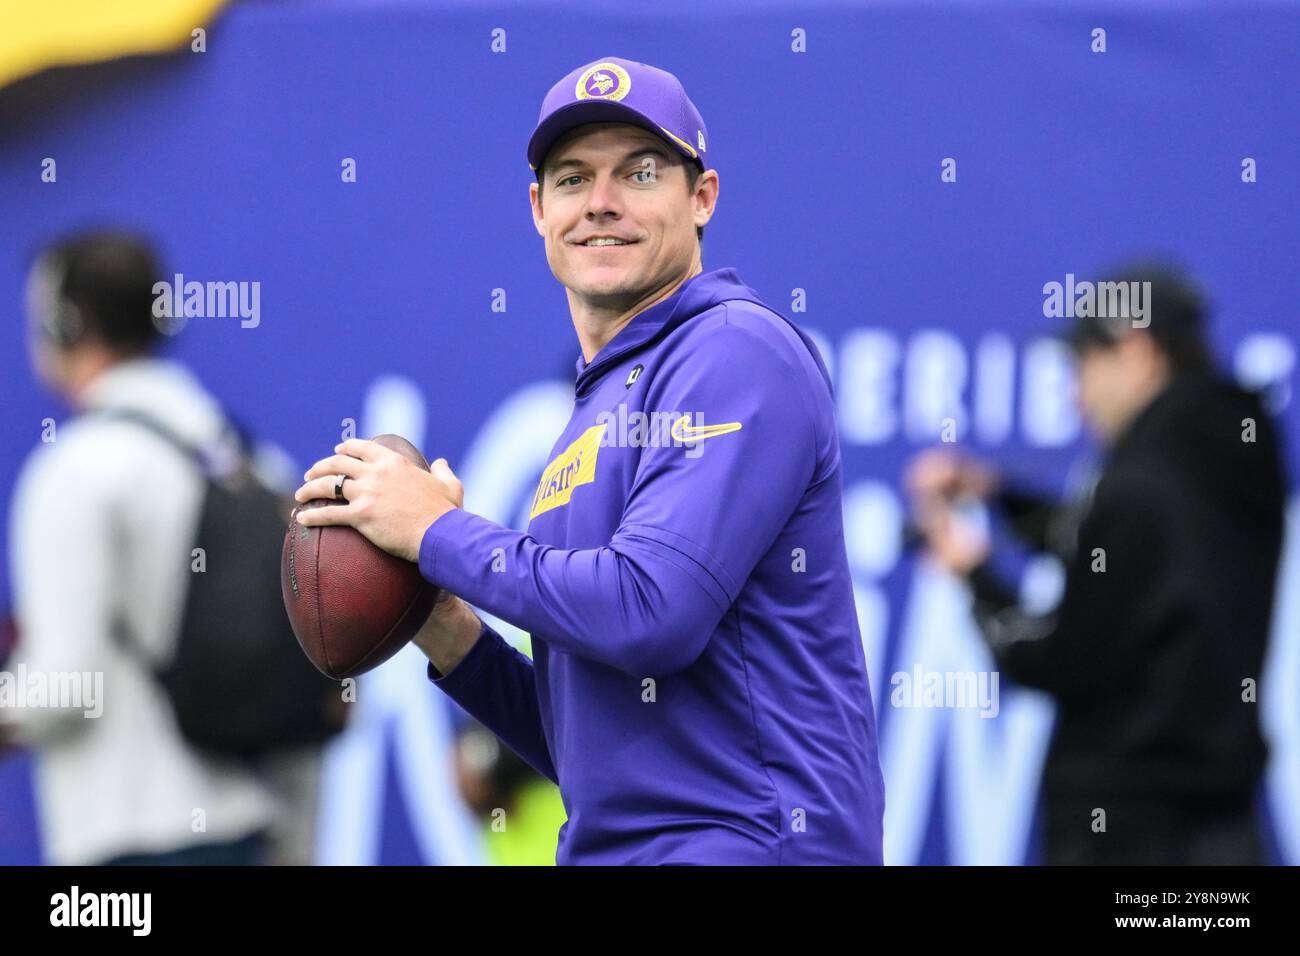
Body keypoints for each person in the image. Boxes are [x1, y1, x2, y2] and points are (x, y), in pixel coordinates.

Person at [292, 57, 886, 865]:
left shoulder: (733, 350)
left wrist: (439, 532)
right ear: (539, 210)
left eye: (639, 172)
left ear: (702, 196)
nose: (601, 202)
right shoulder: (599, 401)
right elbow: (592, 749)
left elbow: (651, 614)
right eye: (572, 179)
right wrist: (442, 621)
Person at [907, 264, 1287, 865]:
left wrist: (973, 573)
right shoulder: (1229, 459)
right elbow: (1117, 552)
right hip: (1224, 839)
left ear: (1135, 350)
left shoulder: (1138, 486)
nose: (1074, 393)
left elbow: (1055, 657)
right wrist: (997, 493)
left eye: (1081, 365)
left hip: (1128, 840)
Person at [4, 231, 279, 865]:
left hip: (130, 850)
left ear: (65, 324)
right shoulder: (251, 463)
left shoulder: (72, 472)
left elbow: (63, 690)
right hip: (252, 834)